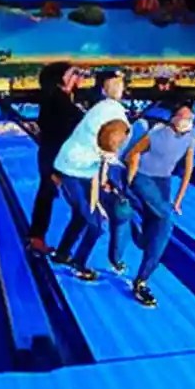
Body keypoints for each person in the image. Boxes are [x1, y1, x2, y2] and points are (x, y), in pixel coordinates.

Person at [51, 70, 130, 273]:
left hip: (84, 169)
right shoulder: (111, 113)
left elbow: (106, 157)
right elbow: (111, 150)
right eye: (116, 84)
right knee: (95, 224)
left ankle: (62, 254)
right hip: (71, 169)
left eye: (120, 84)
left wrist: (104, 179)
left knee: (82, 216)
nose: (119, 88)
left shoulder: (108, 109)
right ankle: (79, 264)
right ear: (105, 89)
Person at [123, 104, 195, 307]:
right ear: (173, 118)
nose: (187, 121)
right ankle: (141, 281)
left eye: (190, 117)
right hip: (143, 177)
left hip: (163, 182)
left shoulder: (192, 137)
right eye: (183, 117)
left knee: (155, 227)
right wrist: (130, 180)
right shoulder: (156, 133)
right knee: (166, 221)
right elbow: (133, 153)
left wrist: (178, 200)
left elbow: (188, 169)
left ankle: (140, 242)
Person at [29, 62, 84, 255]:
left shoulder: (59, 98)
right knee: (48, 195)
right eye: (73, 73)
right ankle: (39, 240)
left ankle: (37, 238)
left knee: (46, 195)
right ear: (61, 78)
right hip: (55, 157)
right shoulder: (58, 101)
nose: (78, 77)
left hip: (52, 155)